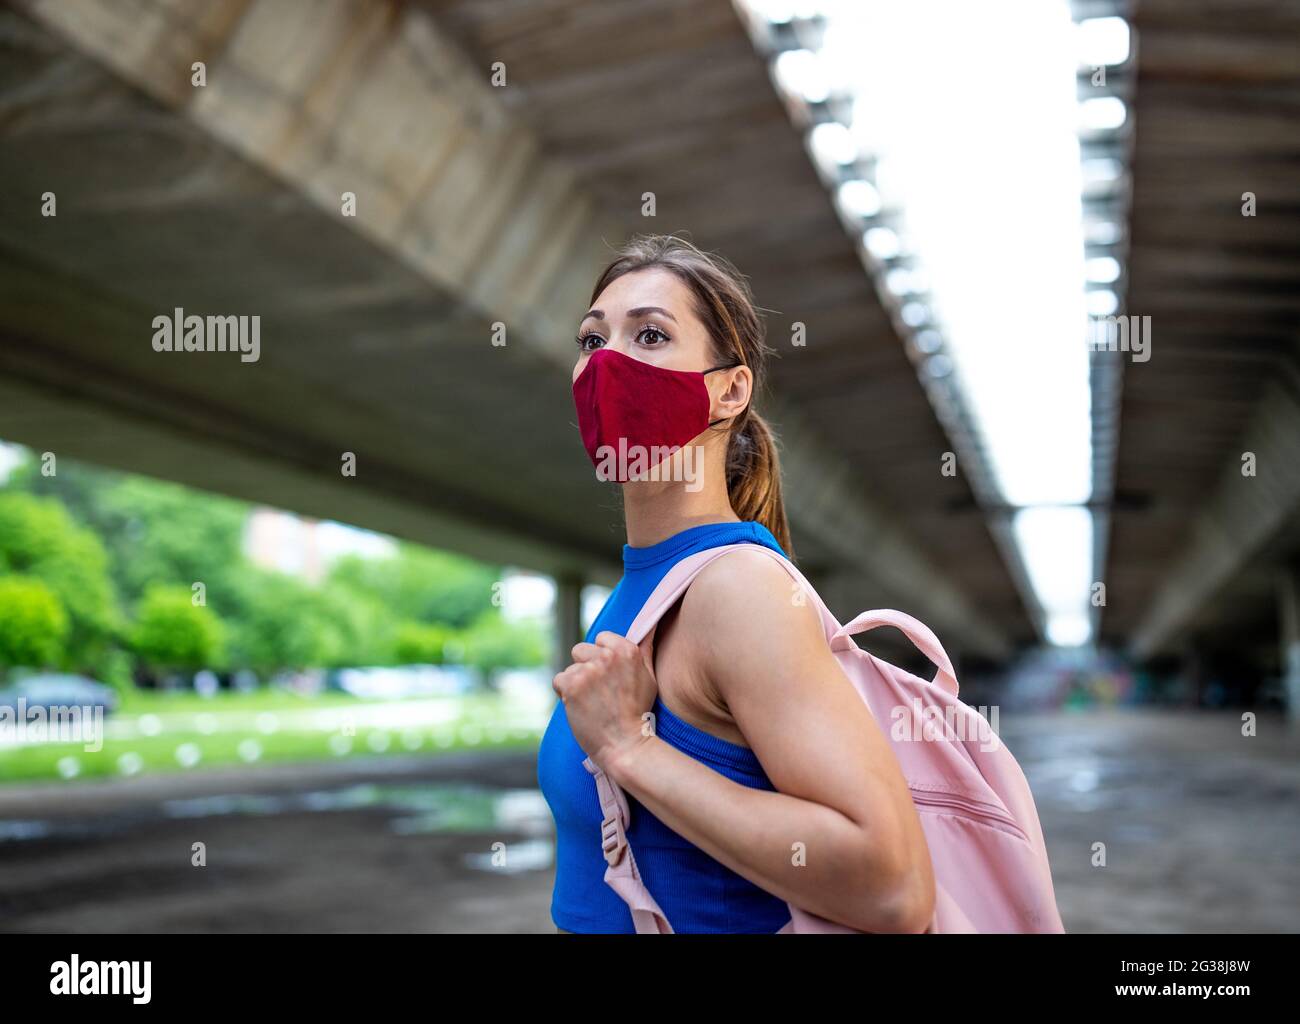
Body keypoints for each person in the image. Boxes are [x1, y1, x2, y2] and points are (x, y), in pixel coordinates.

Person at [537, 234, 934, 934]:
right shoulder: (648, 586)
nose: (608, 363)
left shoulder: (738, 588)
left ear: (730, 390)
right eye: (592, 340)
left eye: (650, 335)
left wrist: (632, 751)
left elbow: (892, 887)